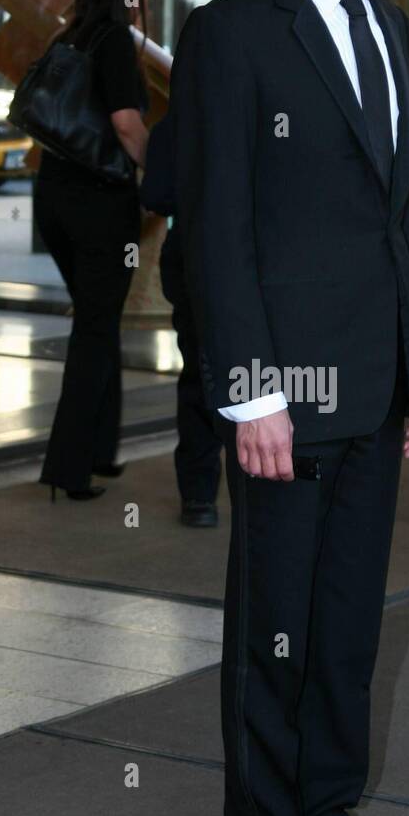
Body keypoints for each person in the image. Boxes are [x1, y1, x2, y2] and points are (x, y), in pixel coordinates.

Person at [169, 0, 409, 816]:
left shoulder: (387, 31)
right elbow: (215, 233)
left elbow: (407, 215)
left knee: (343, 627)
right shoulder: (233, 33)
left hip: (376, 385)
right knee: (274, 626)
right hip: (287, 390)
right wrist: (250, 391)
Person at [34, 0, 149, 501]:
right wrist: (162, 170)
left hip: (53, 198)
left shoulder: (69, 35)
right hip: (100, 207)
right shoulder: (116, 44)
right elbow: (127, 126)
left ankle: (100, 449)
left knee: (98, 320)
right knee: (96, 328)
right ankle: (68, 468)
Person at [139, 114, 223, 525]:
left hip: (189, 253)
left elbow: (156, 195)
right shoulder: (262, 116)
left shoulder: (173, 126)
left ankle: (198, 496)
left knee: (197, 375)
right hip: (254, 259)